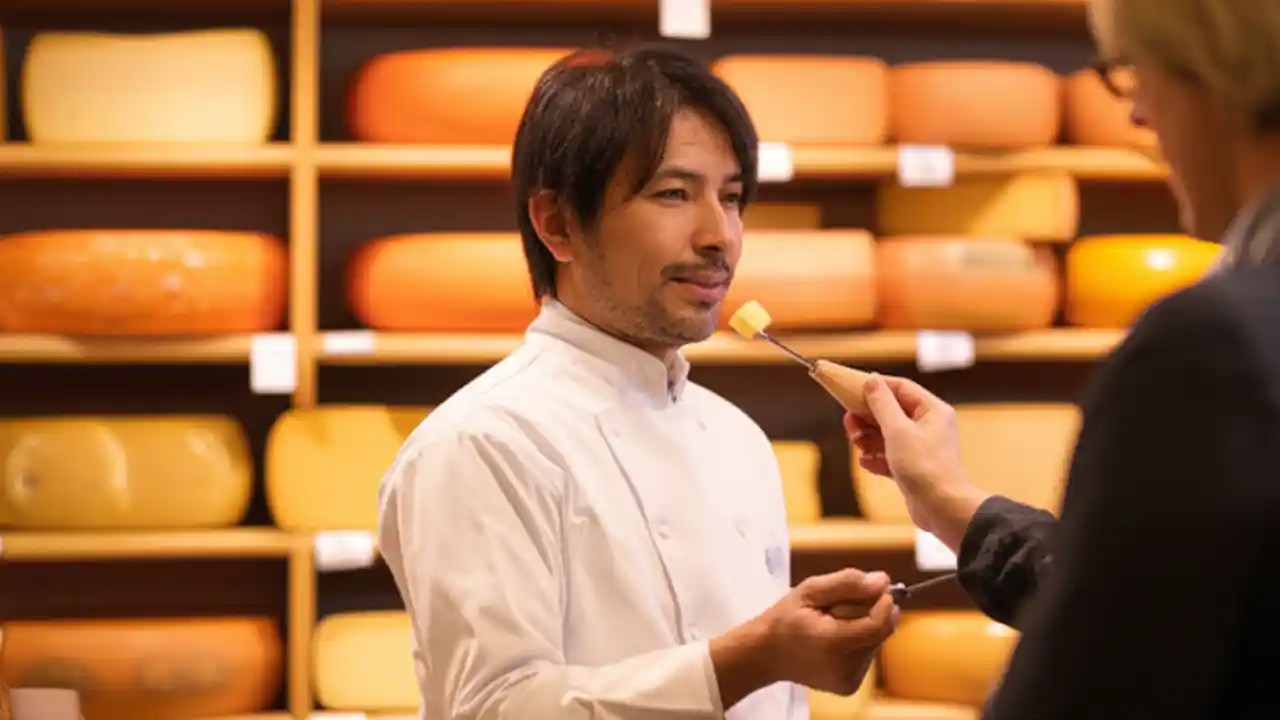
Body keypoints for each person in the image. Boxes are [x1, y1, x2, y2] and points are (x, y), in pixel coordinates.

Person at [376, 44, 898, 720]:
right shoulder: (482, 444)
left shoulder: (738, 438)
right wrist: (748, 658)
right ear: (558, 224)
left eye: (732, 197)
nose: (721, 236)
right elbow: (492, 708)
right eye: (673, 194)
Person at [847, 0, 1280, 716]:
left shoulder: (1217, 347)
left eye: (1132, 73)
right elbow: (1159, 601)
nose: (1136, 116)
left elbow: (1101, 681)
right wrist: (954, 506)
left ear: (1214, 70)